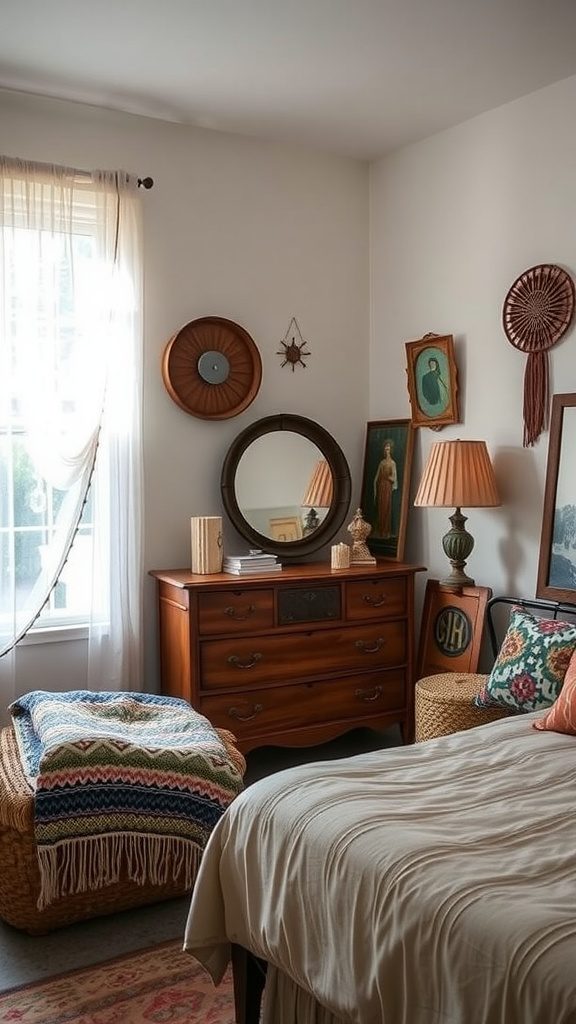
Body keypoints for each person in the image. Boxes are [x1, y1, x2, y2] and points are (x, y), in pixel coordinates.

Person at [373, 439, 397, 538]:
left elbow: (394, 478)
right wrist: (375, 487)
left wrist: (387, 477)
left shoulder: (392, 463)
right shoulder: (382, 463)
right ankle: (379, 530)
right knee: (380, 508)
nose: (387, 450)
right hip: (381, 486)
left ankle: (385, 531)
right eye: (385, 449)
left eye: (388, 449)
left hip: (387, 486)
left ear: (391, 450)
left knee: (386, 508)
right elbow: (377, 476)